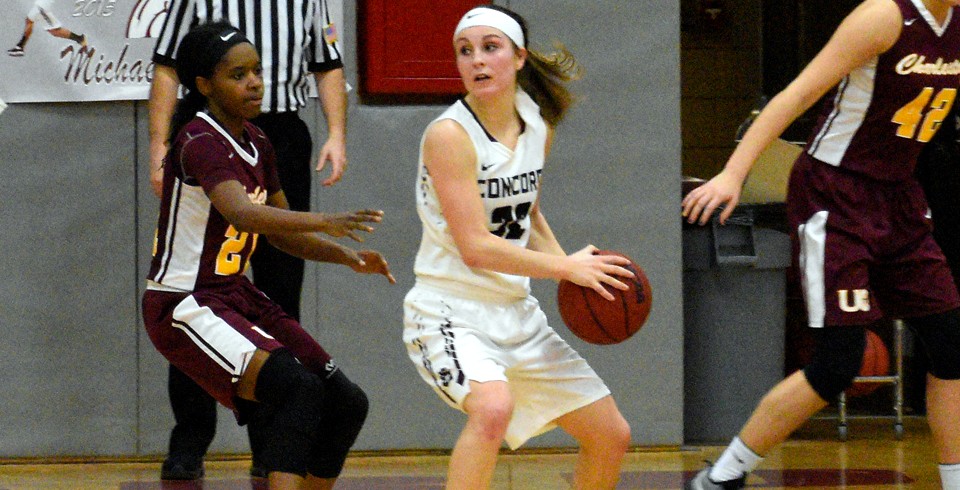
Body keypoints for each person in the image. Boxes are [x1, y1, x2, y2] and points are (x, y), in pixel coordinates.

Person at [680, 0, 960, 488]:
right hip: (835, 193)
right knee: (838, 361)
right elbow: (798, 94)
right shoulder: (882, 16)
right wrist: (733, 173)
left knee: (953, 344)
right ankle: (722, 476)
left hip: (900, 196)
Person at [141, 21, 395, 489]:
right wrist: (324, 219)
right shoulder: (199, 141)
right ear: (204, 85)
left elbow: (280, 234)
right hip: (183, 303)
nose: (254, 82)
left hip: (235, 294)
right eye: (238, 75)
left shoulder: (258, 141)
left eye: (257, 71)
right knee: (296, 389)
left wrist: (345, 256)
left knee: (346, 402)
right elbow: (243, 214)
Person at [402, 6, 633, 490]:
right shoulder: (449, 135)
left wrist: (572, 268)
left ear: (520, 57)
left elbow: (528, 214)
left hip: (515, 313)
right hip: (449, 312)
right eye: (465, 51)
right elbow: (475, 248)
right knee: (492, 409)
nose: (477, 60)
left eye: (491, 48)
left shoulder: (537, 125)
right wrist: (564, 269)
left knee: (611, 434)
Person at [8, 0, 87, 57]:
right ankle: (20, 46)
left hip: (42, 6)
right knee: (29, 20)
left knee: (54, 31)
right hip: (40, 5)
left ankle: (80, 39)